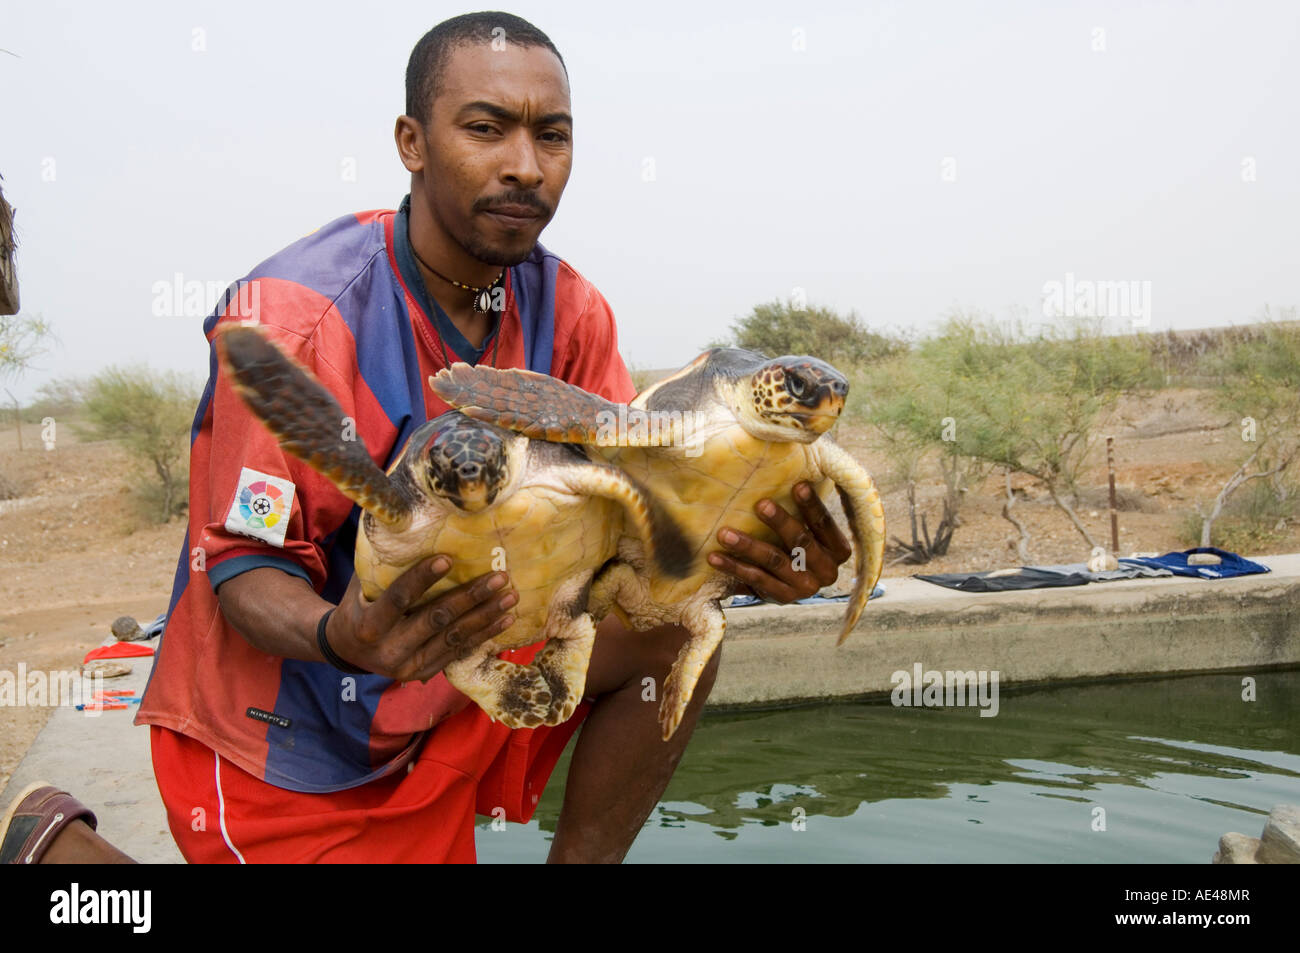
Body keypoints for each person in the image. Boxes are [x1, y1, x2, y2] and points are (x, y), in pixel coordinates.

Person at [1, 11, 853, 865]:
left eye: (551, 136)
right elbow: (242, 569)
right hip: (289, 731)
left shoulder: (574, 314)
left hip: (462, 669)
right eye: (486, 129)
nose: (524, 164)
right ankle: (60, 852)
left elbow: (627, 535)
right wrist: (346, 638)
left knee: (679, 630)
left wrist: (739, 559)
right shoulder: (298, 321)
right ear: (411, 141)